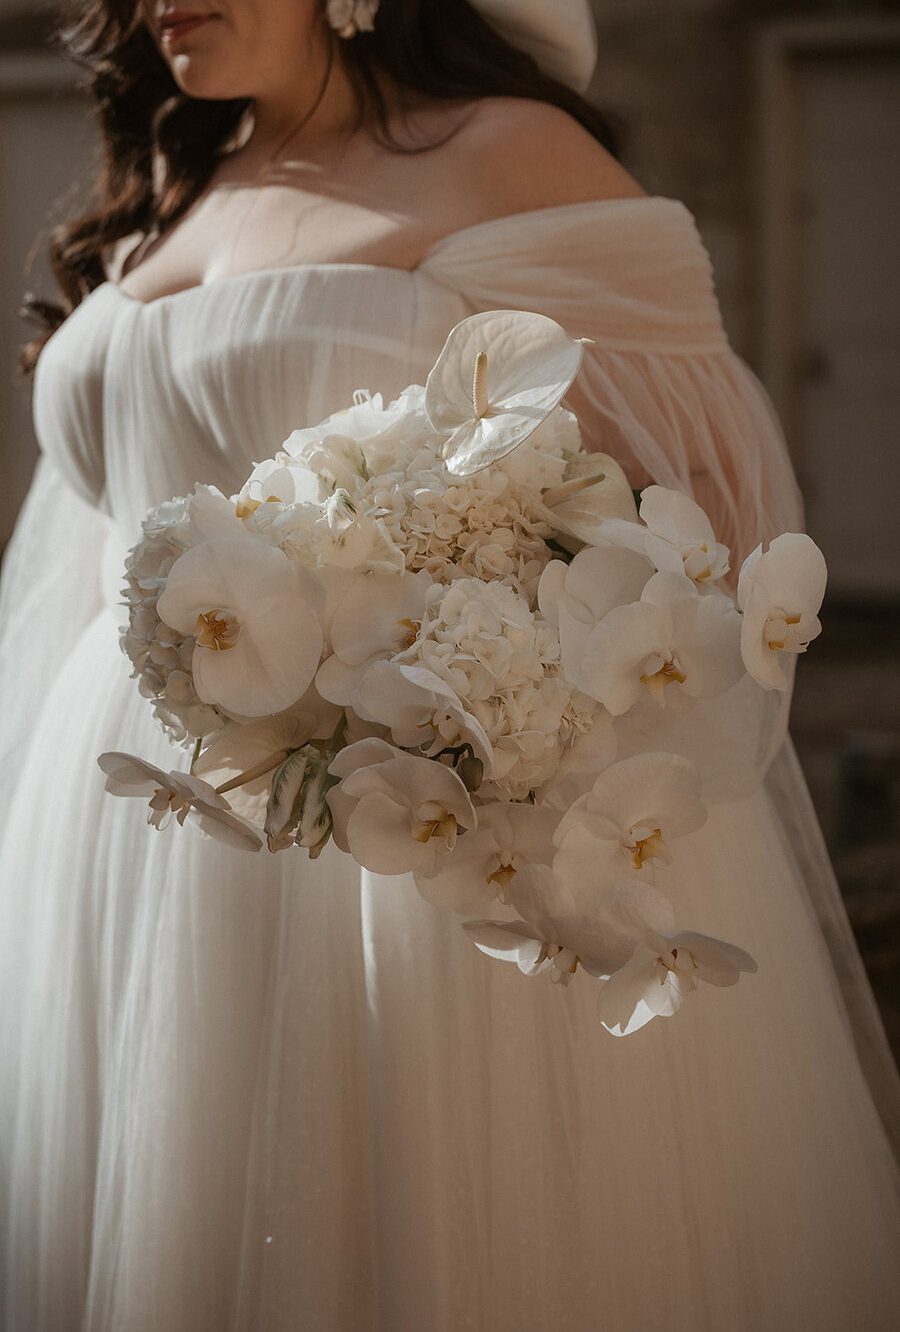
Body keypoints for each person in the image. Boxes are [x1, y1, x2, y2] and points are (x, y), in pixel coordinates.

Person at [1, 1, 898, 1328]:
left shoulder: (505, 155)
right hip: (126, 823)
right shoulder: (168, 197)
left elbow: (707, 501)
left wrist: (503, 699)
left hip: (384, 826)